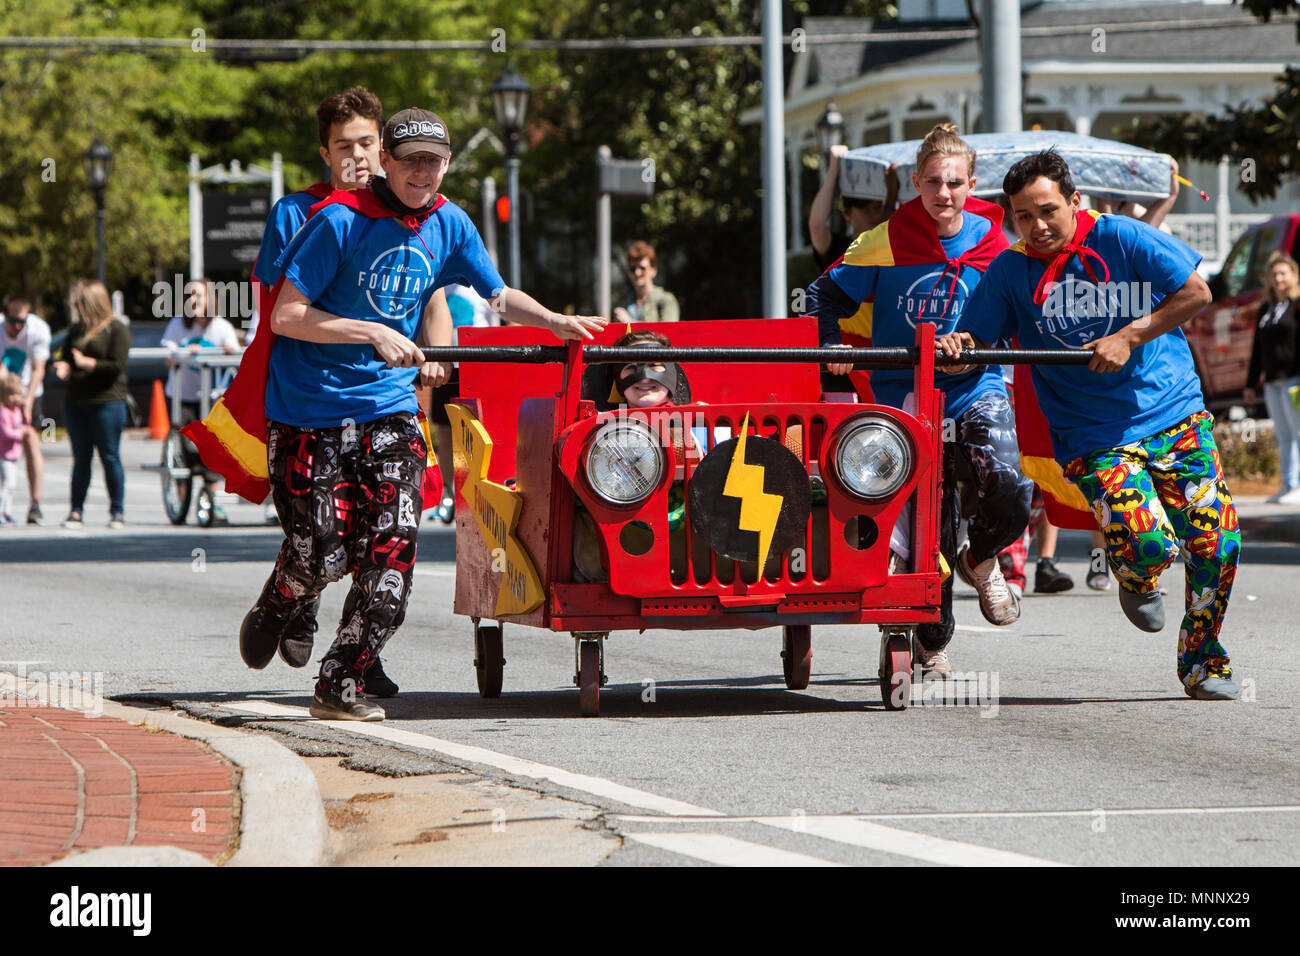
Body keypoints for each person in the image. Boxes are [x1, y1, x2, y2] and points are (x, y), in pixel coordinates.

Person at [239, 106, 606, 721]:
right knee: (320, 553)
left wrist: (554, 321)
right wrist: (370, 331)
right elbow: (285, 315)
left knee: (393, 549)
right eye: (409, 160)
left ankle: (341, 679)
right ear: (385, 160)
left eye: (433, 161)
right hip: (309, 411)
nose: (421, 172)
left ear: (447, 164)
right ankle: (284, 595)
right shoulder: (337, 221)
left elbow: (496, 292)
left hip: (389, 407)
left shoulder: (450, 222)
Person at [939, 148, 1241, 701]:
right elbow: (976, 343)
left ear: (1075, 201)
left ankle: (1203, 660)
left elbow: (1197, 292)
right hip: (1091, 434)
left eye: (1048, 210)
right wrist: (959, 346)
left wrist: (1130, 335)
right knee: (1147, 542)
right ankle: (1136, 574)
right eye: (1023, 217)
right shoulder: (1010, 269)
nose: (1037, 226)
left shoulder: (1124, 237)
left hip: (1175, 412)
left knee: (1217, 545)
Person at [803, 123, 1032, 680]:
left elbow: (1030, 302)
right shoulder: (885, 239)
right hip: (903, 400)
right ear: (915, 183)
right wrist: (833, 346)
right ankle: (930, 643)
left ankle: (983, 558)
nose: (944, 193)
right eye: (933, 182)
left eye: (955, 183)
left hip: (977, 388)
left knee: (1009, 487)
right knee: (924, 525)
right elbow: (821, 295)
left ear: (972, 183)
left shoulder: (998, 241)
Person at [51, 280, 130, 529]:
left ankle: (117, 511)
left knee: (109, 456)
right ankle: (76, 511)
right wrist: (63, 366)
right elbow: (64, 356)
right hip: (76, 401)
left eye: (81, 304)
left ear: (94, 303)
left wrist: (89, 364)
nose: (78, 309)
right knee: (80, 458)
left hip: (107, 401)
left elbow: (116, 366)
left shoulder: (117, 329)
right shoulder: (76, 330)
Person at [161, 278, 241, 523]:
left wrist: (227, 350)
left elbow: (235, 352)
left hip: (210, 397)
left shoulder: (221, 327)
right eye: (189, 296)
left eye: (198, 295)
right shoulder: (178, 325)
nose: (193, 300)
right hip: (181, 395)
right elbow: (167, 354)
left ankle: (212, 497)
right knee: (185, 445)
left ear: (210, 299)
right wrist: (179, 354)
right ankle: (182, 494)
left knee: (212, 444)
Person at [1244, 251, 1300, 505]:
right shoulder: (1266, 308)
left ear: (1293, 276)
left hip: (1295, 380)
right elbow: (1257, 347)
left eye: (1283, 273)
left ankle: (1297, 485)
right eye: (1274, 274)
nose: (1278, 278)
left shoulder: (1297, 304)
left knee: (1298, 431)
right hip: (1273, 382)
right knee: (1283, 434)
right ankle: (1288, 483)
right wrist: (1251, 382)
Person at [807, 145, 900, 271]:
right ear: (847, 213)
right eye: (865, 209)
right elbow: (816, 225)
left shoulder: (895, 245)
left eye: (878, 208)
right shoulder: (837, 249)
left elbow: (880, 237)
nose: (873, 215)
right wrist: (834, 170)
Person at [1, 295, 51, 524]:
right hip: (3, 391)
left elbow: (39, 369)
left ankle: (35, 504)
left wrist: (27, 401)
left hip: (28, 392)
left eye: (22, 321)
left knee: (31, 439)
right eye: (13, 321)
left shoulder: (38, 330)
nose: (18, 326)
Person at [613, 242, 679, 323]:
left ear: (653, 270)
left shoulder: (666, 300)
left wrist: (630, 323)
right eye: (632, 269)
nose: (637, 273)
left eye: (642, 268)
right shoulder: (625, 300)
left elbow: (669, 332)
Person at [0, 371, 25, 525]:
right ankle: (1, 511)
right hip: (4, 454)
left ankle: (7, 512)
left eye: (18, 394)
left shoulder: (16, 411)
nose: (16, 398)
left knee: (12, 485)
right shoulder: (3, 412)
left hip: (14, 454)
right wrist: (21, 434)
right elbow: (6, 432)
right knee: (8, 484)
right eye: (12, 394)